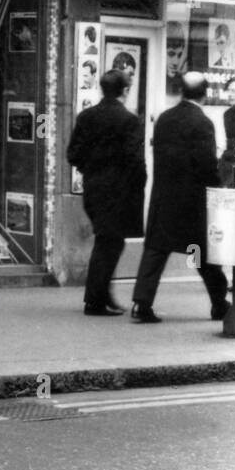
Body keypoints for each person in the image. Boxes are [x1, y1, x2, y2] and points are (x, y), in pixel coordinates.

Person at [130, 71, 231, 325]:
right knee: (199, 252)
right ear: (205, 94)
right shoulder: (203, 123)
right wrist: (217, 188)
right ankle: (219, 303)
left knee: (156, 251)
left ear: (181, 92)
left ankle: (141, 303)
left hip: (164, 197)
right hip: (192, 202)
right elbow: (207, 165)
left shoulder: (164, 118)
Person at [66, 69, 146, 316]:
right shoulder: (130, 120)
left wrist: (90, 167)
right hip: (119, 190)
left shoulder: (86, 117)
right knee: (109, 243)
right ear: (125, 90)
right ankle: (95, 300)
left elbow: (73, 154)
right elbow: (134, 160)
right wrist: (139, 184)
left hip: (93, 187)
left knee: (108, 240)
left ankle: (102, 295)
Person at [220, 77, 235, 187]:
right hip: (230, 160)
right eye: (229, 90)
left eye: (234, 91)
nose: (230, 94)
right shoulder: (228, 114)